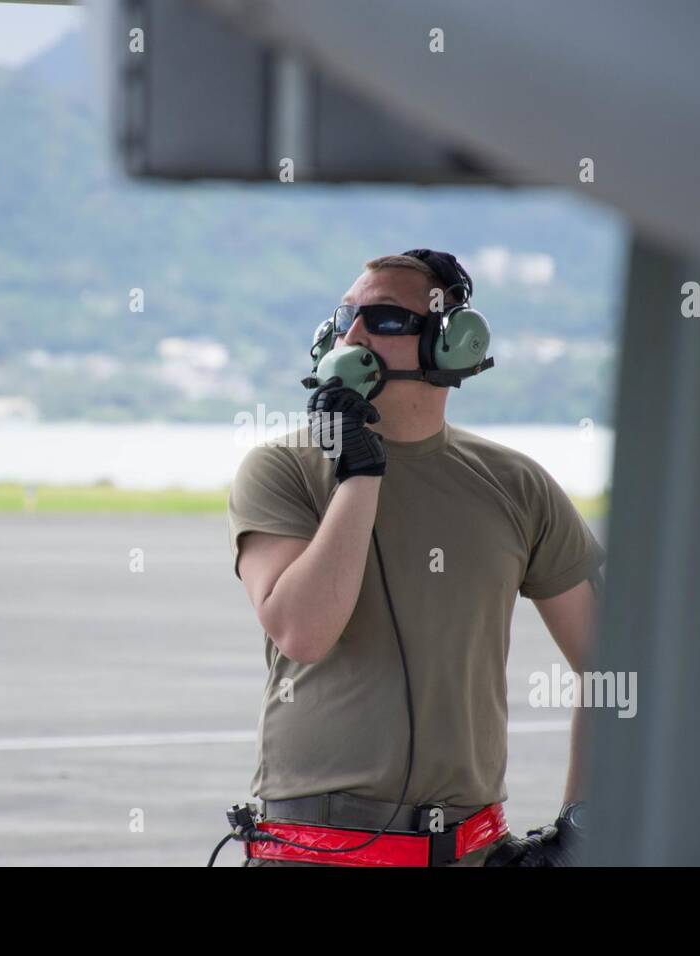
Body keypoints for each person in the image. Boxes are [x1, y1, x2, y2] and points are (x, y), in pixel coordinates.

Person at [226, 250, 605, 866]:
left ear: (450, 345)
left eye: (383, 320)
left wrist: (586, 827)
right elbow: (304, 631)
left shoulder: (516, 484)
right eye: (344, 317)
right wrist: (359, 474)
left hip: (472, 851)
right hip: (313, 854)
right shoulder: (281, 468)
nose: (351, 336)